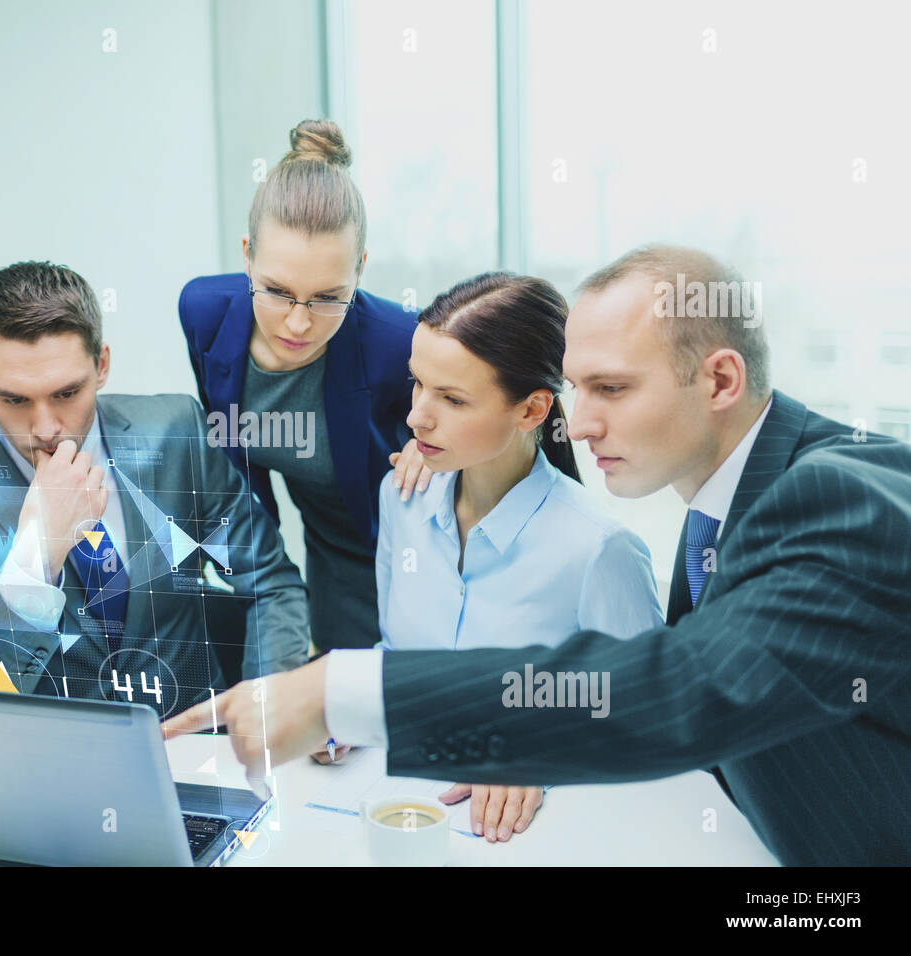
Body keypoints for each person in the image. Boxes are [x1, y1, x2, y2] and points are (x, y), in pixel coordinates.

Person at [165, 245, 911, 866]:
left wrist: (342, 691)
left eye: (611, 390)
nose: (579, 426)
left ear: (720, 380)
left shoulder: (834, 499)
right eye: (577, 388)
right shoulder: (719, 512)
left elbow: (681, 684)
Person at [0, 261, 309, 718]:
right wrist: (38, 555)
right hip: (50, 769)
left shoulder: (176, 432)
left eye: (67, 393)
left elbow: (270, 583)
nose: (46, 428)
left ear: (102, 364)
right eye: (14, 399)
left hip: (198, 753)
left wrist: (270, 711)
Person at [375, 272, 662, 839]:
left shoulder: (598, 550)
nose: (416, 418)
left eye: (453, 399)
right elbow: (396, 653)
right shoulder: (402, 498)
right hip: (396, 808)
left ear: (531, 411)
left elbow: (648, 717)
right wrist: (337, 708)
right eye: (418, 384)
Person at [179, 118, 426, 656]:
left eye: (327, 297)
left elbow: (485, 403)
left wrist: (436, 448)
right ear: (246, 254)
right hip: (329, 544)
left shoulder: (400, 339)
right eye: (276, 291)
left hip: (417, 546)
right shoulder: (203, 314)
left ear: (360, 269)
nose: (297, 324)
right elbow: (229, 441)